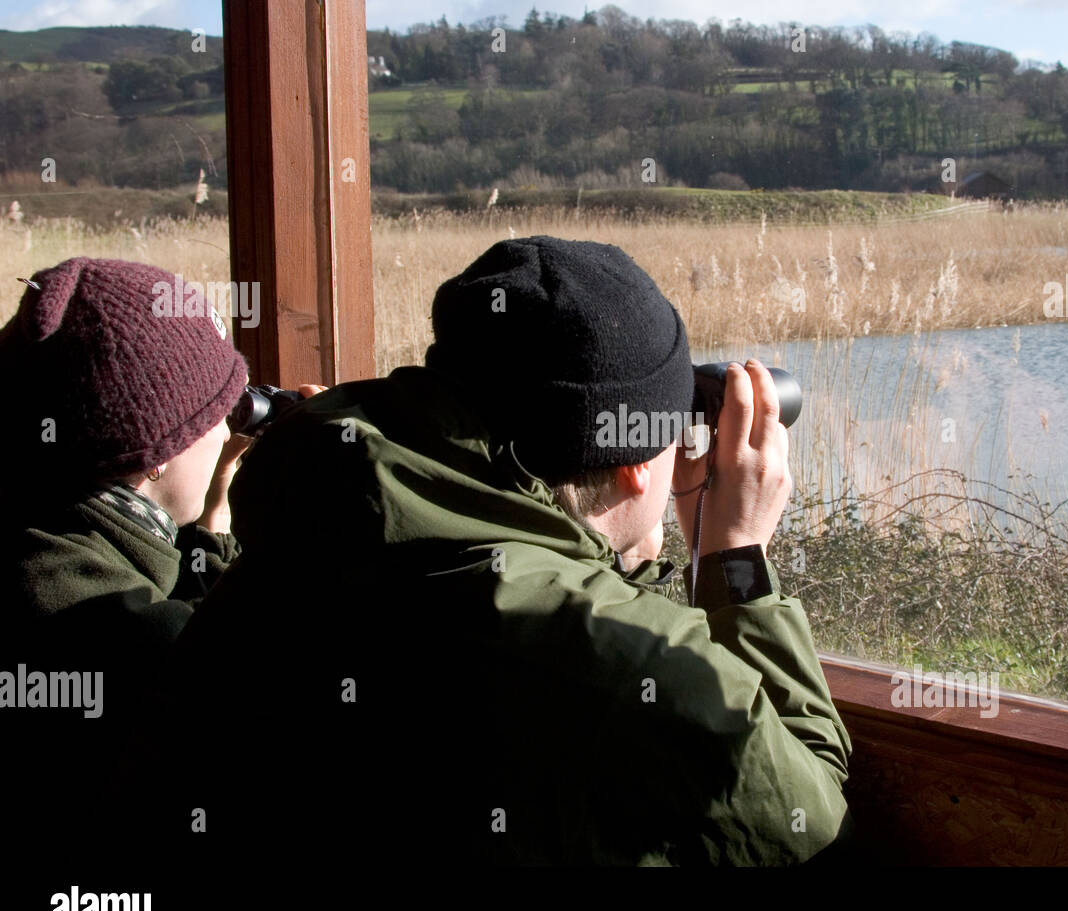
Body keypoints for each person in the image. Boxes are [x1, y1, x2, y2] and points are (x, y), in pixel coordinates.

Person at [179, 236, 853, 868]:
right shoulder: (619, 654)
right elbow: (808, 818)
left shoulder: (308, 524)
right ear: (635, 470)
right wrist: (734, 555)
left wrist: (615, 570)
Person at [0, 257, 317, 874]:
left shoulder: (42, 523)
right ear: (156, 457)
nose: (229, 431)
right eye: (218, 416)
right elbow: (256, 686)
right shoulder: (105, 623)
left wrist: (211, 526)